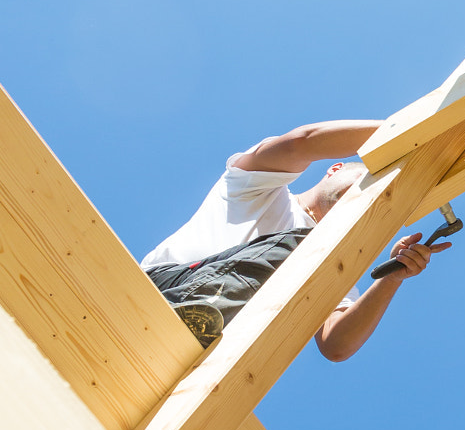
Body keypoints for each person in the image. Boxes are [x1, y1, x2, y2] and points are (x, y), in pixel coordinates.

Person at [141, 119, 447, 355]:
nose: (367, 195)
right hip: (160, 292)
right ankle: (189, 319)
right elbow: (301, 143)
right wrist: (418, 130)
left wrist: (390, 278)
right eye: (366, 182)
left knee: (317, 256)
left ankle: (197, 329)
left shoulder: (330, 265)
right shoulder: (256, 188)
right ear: (334, 169)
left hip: (205, 345)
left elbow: (336, 344)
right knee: (306, 247)